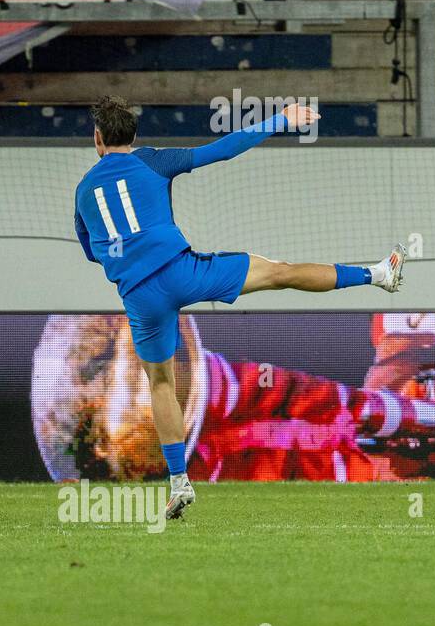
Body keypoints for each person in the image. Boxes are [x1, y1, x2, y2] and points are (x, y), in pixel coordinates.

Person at [73, 95, 405, 518]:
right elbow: (222, 149)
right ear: (134, 135)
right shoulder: (152, 160)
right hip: (184, 271)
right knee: (280, 272)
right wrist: (280, 120)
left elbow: (91, 252)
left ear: (97, 138)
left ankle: (179, 482)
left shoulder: (83, 191)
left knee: (160, 384)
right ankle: (378, 275)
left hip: (140, 296)